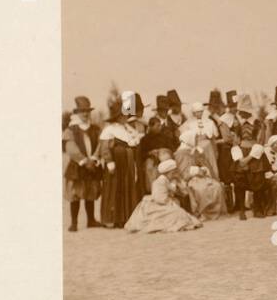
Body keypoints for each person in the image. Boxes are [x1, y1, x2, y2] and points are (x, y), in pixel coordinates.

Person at [99, 92, 146, 228]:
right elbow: (104, 148)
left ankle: (126, 216)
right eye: (123, 115)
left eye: (126, 115)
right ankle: (115, 218)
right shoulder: (110, 130)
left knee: (127, 189)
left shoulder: (128, 128)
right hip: (116, 166)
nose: (125, 117)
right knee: (116, 190)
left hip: (128, 166)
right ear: (118, 117)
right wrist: (109, 162)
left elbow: (133, 141)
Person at [124, 159, 203, 233]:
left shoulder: (170, 181)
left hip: (165, 203)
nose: (175, 173)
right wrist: (171, 201)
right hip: (157, 205)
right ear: (169, 172)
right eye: (174, 172)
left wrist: (179, 183)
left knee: (180, 213)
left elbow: (184, 192)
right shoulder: (160, 181)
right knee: (177, 213)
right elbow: (160, 198)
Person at [64, 96, 105, 231]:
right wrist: (83, 160)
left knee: (90, 193)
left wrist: (94, 158)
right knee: (76, 194)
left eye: (87, 111)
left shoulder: (95, 129)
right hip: (78, 165)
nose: (85, 113)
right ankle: (74, 222)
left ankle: (91, 220)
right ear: (77, 113)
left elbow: (100, 144)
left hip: (92, 164)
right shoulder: (71, 130)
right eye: (82, 111)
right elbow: (70, 148)